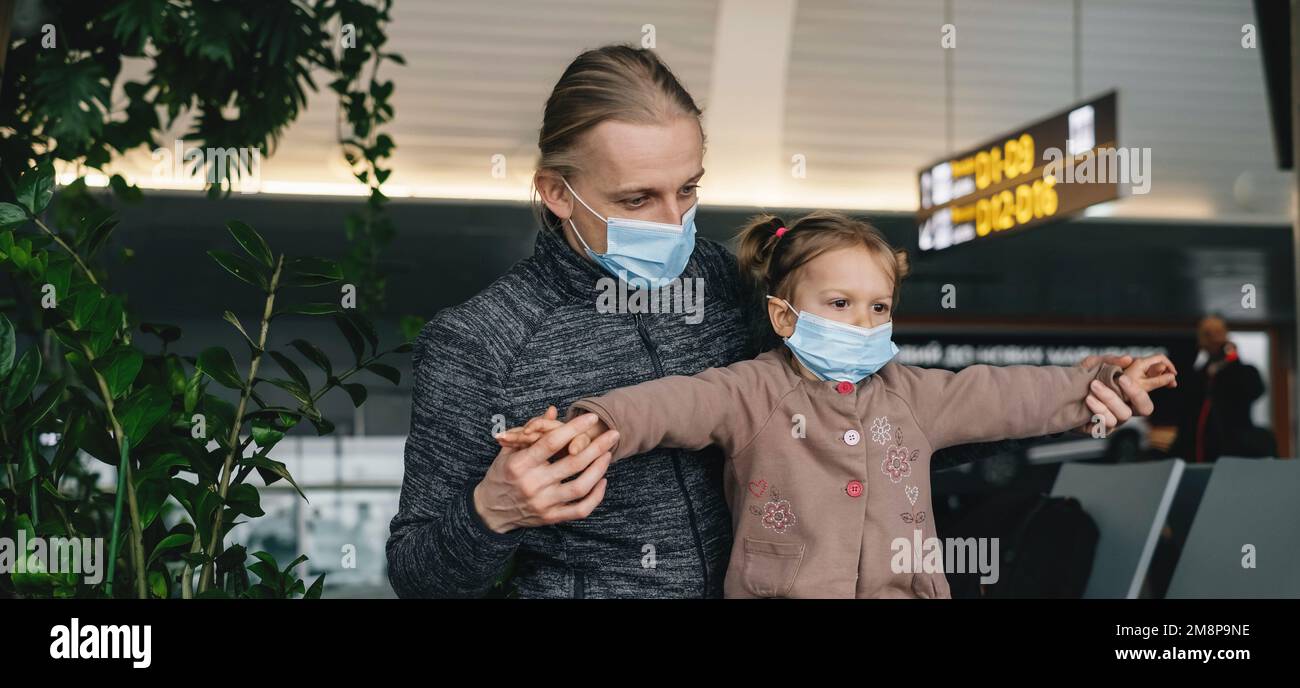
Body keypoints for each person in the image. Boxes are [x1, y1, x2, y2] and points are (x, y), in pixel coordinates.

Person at [385, 44, 1159, 599]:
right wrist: (494, 510)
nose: (674, 220)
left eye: (687, 189)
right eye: (635, 200)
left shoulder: (732, 283)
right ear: (557, 193)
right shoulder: (480, 341)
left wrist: (1077, 397)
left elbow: (868, 426)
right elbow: (418, 574)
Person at [496, 212, 1177, 598]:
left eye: (877, 307)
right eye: (840, 305)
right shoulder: (752, 391)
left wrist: (1110, 379)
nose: (861, 323)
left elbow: (1003, 393)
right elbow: (673, 402)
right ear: (785, 318)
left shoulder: (913, 397)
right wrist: (598, 422)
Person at [1169, 315, 1275, 461]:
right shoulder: (1197, 376)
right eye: (1208, 334)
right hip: (1199, 452)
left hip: (1236, 452)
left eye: (1218, 332)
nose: (1214, 338)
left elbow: (1256, 390)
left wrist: (1232, 359)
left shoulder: (1244, 371)